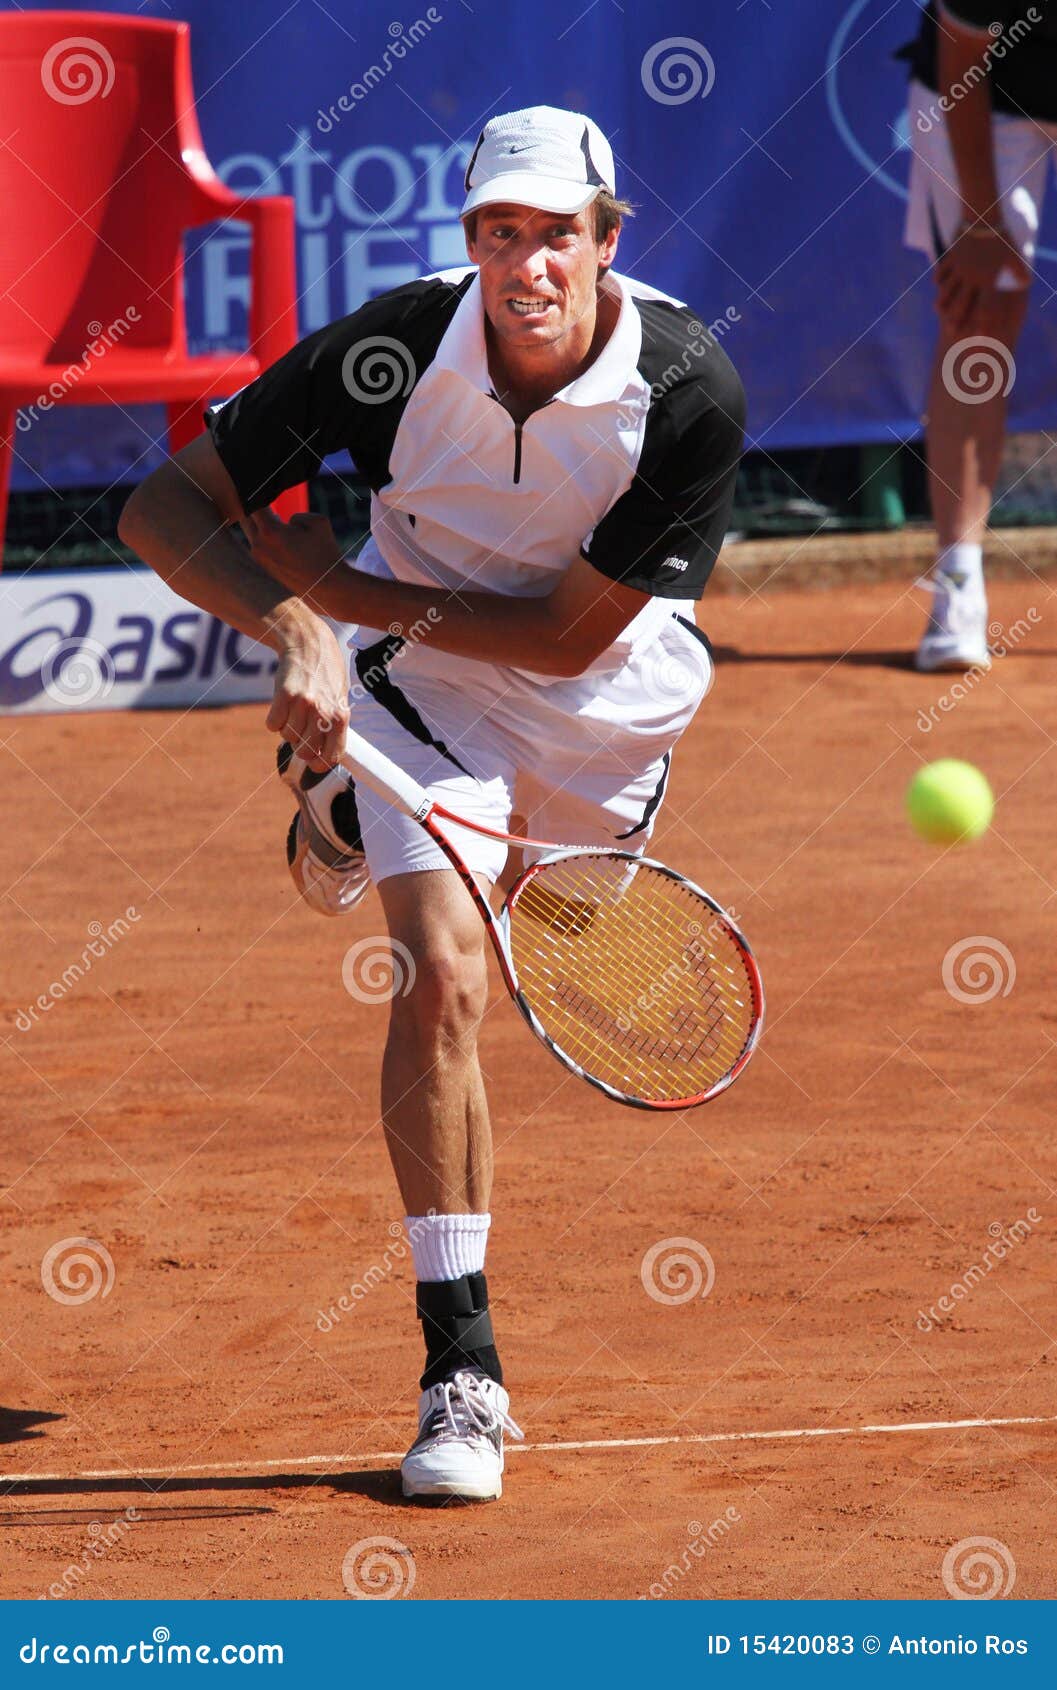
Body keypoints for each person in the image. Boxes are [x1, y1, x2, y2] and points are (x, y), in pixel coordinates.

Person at [118, 105, 745, 1502]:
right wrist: (296, 635)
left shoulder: (688, 387)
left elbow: (570, 638)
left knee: (573, 926)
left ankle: (342, 816)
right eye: (498, 232)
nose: (527, 265)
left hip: (603, 697)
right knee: (441, 980)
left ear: (607, 243)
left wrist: (339, 595)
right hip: (430, 692)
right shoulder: (392, 348)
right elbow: (165, 508)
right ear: (470, 241)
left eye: (557, 235)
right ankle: (462, 1367)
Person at [899, 1, 1057, 671]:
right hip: (987, 88)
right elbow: (960, 52)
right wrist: (980, 221)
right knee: (979, 322)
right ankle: (958, 583)